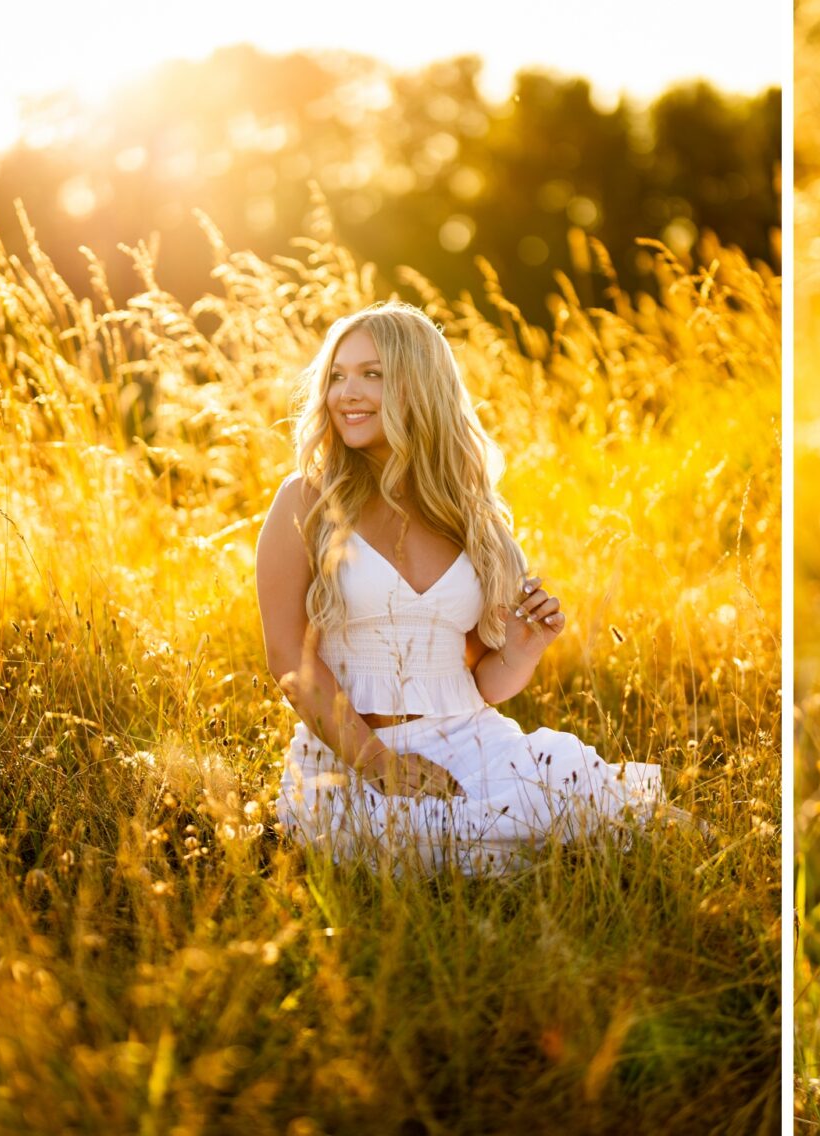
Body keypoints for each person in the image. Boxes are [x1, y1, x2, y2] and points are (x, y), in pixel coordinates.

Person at [258, 300, 667, 876]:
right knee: (432, 842)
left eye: (372, 375)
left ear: (417, 386)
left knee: (620, 807)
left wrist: (523, 648)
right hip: (352, 758)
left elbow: (483, 682)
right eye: (337, 376)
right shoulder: (305, 500)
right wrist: (378, 763)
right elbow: (288, 659)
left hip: (472, 741)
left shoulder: (470, 515)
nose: (346, 393)